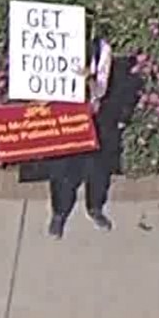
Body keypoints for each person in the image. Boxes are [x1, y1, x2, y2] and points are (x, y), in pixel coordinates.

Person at [46, 25, 118, 237]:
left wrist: (89, 78)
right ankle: (59, 213)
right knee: (60, 169)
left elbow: (102, 90)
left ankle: (95, 207)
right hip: (64, 115)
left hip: (92, 117)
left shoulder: (102, 50)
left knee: (96, 168)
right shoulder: (55, 45)